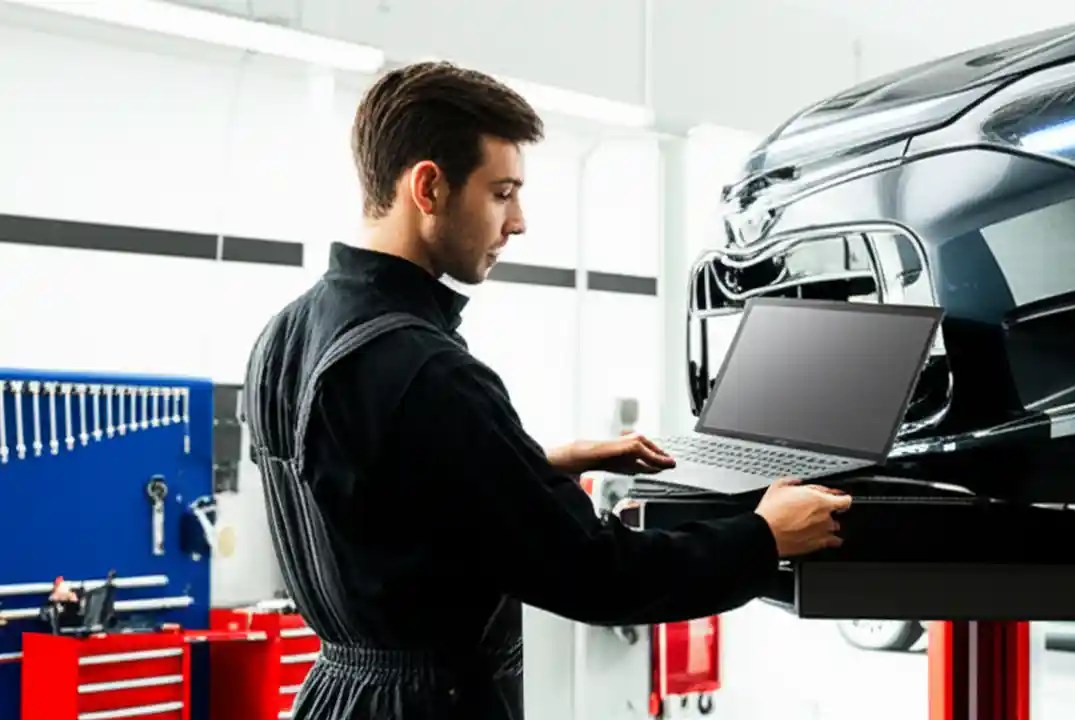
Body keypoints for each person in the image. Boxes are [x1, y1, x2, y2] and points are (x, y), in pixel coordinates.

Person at [241, 60, 853, 720]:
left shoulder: (282, 338)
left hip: (333, 697)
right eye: (502, 192)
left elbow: (370, 501)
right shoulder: (426, 369)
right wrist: (763, 538)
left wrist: (527, 466)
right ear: (429, 188)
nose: (518, 221)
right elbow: (596, 575)